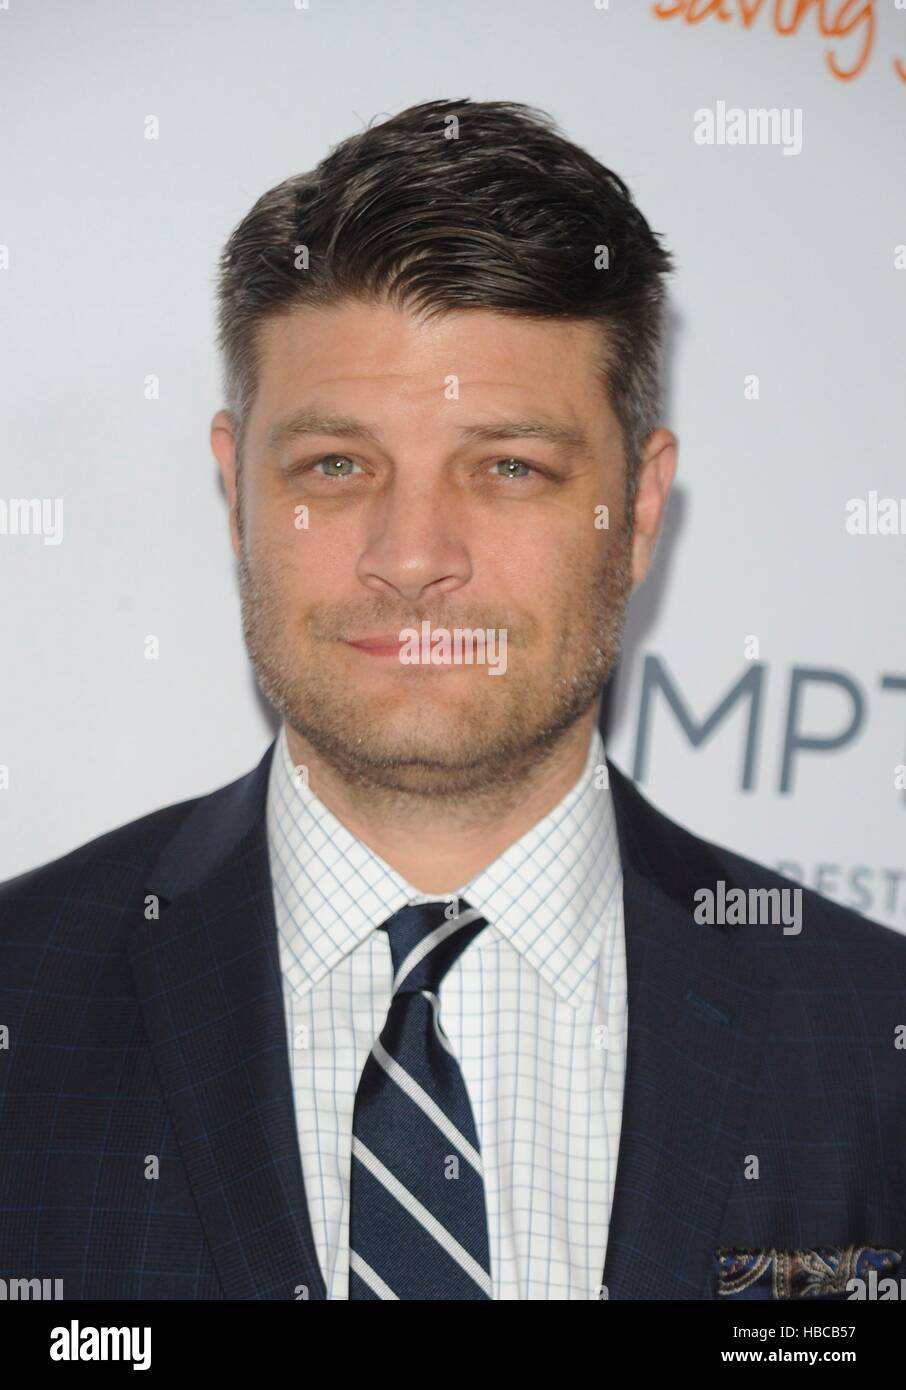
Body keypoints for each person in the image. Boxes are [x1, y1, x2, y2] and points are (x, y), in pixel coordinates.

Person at [1, 99, 903, 1302]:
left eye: (509, 468)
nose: (413, 553)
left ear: (636, 511)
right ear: (235, 497)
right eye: (337, 465)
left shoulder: (869, 1043)